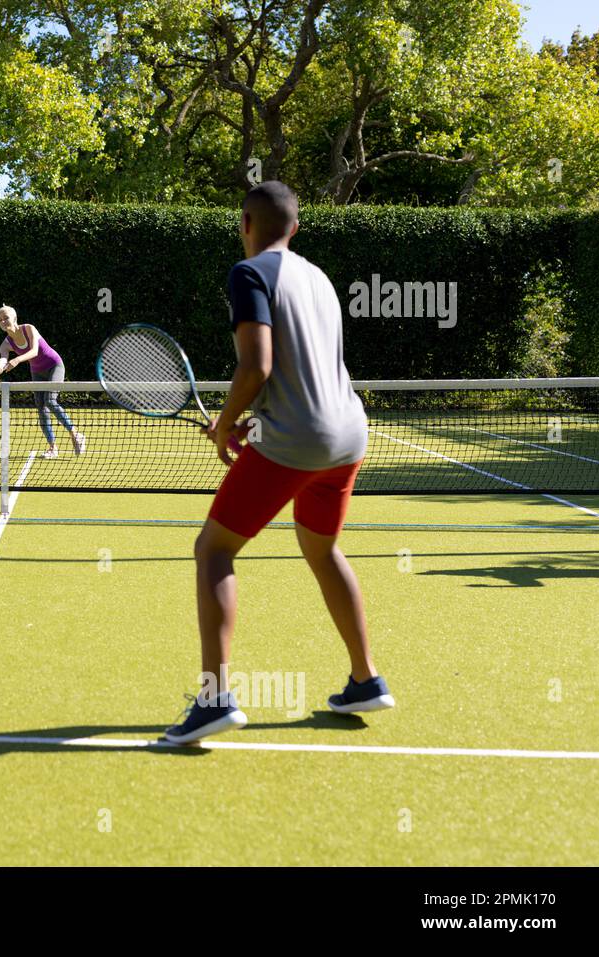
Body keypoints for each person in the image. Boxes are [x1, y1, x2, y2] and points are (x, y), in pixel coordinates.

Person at [164, 181, 393, 745]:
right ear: (295, 228)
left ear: (246, 224)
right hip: (348, 435)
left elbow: (258, 366)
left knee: (214, 549)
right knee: (322, 548)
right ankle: (365, 680)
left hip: (300, 439)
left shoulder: (249, 274)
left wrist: (224, 423)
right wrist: (251, 420)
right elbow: (304, 373)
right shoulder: (319, 278)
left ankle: (214, 698)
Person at [0, 305, 85, 458]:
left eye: (6, 318)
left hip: (54, 366)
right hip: (37, 372)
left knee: (50, 400)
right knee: (41, 408)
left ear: (15, 318)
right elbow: (3, 358)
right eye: (0, 319)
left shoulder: (29, 328)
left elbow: (34, 351)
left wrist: (16, 360)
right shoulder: (6, 343)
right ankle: (52, 448)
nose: (3, 321)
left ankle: (76, 435)